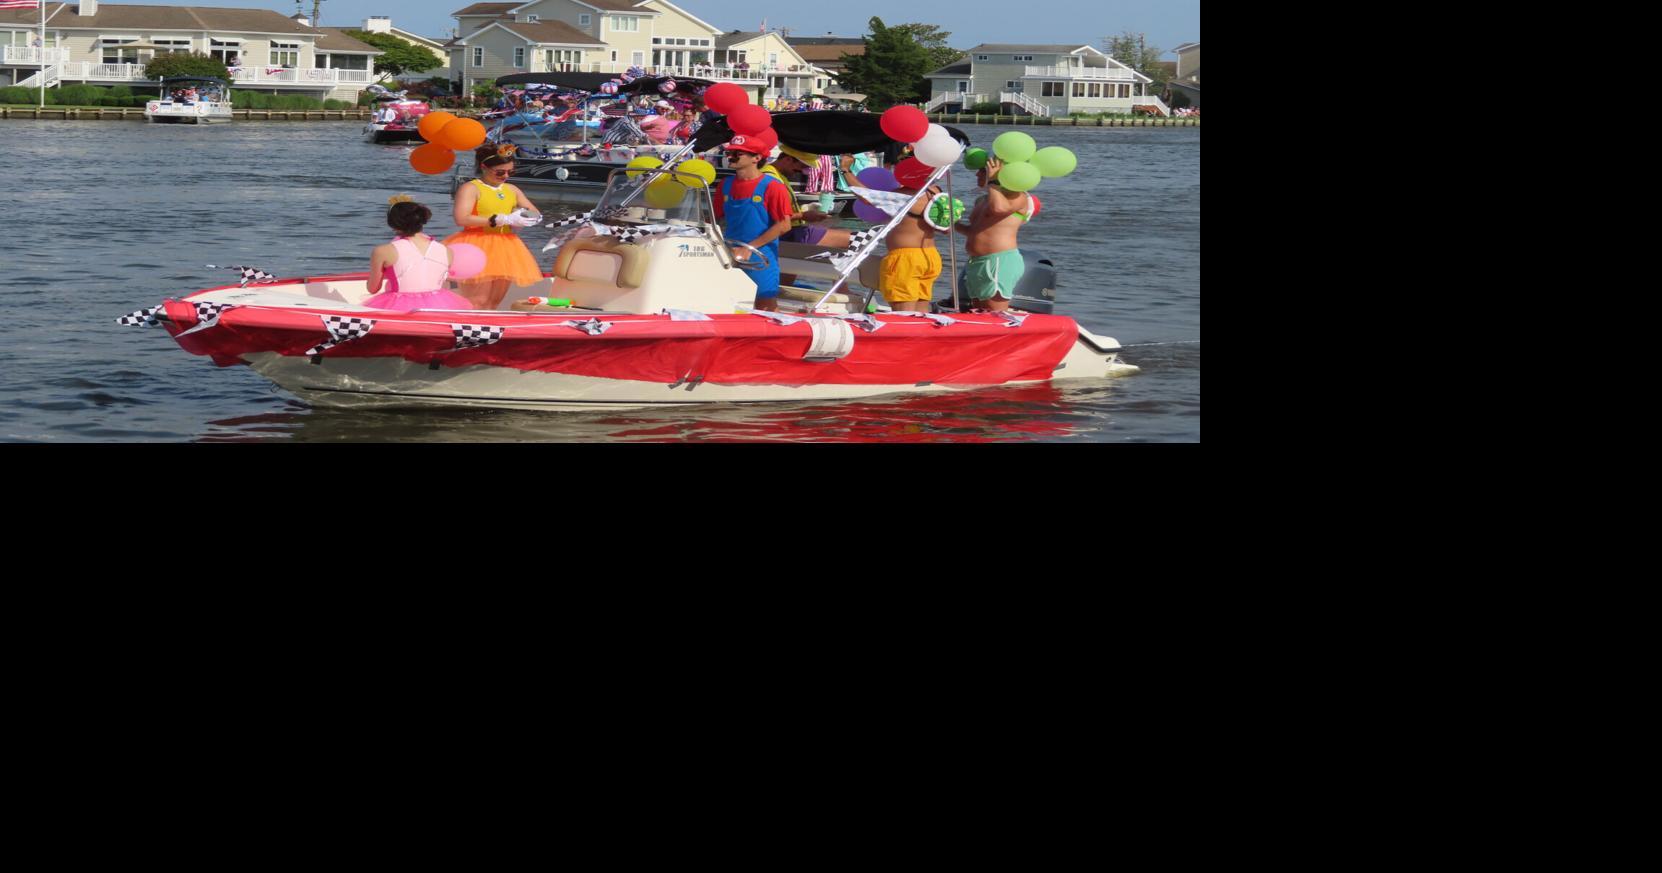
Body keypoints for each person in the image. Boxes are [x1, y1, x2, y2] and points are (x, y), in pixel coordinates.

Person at [444, 144, 544, 310]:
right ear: (484, 167)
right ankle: (470, 331)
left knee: (493, 302)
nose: (505, 176)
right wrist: (498, 220)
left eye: (510, 172)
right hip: (476, 245)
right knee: (477, 301)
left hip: (506, 247)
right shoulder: (471, 188)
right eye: (500, 172)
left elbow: (534, 212)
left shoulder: (512, 189)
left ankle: (487, 330)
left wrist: (524, 218)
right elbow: (462, 218)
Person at [845, 158, 944, 313]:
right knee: (921, 312)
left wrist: (846, 171)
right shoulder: (935, 191)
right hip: (930, 256)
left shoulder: (902, 196)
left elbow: (866, 197)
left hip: (906, 259)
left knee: (903, 313)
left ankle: (906, 336)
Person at [715, 130, 793, 311]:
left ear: (756, 158)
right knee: (727, 302)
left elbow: (784, 224)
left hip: (760, 256)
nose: (731, 157)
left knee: (765, 304)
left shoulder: (773, 186)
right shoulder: (725, 184)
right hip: (729, 253)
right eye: (729, 153)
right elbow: (716, 219)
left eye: (738, 153)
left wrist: (749, 247)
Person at [364, 196, 474, 311]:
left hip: (398, 307)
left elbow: (373, 289)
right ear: (421, 221)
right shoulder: (446, 251)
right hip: (439, 306)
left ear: (392, 224)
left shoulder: (383, 251)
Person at [954, 156, 1031, 312]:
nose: (977, 175)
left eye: (983, 171)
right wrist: (952, 225)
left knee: (995, 313)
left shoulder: (1018, 196)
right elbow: (974, 231)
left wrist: (994, 181)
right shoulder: (982, 200)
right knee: (978, 312)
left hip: (999, 261)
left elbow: (999, 209)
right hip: (977, 262)